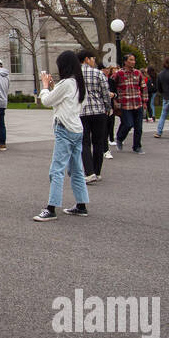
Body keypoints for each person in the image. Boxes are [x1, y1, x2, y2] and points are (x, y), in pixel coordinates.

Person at [33, 50, 90, 221]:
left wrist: (44, 87)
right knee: (76, 169)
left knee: (56, 170)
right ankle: (81, 204)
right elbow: (64, 101)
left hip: (64, 130)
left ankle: (51, 208)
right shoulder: (79, 83)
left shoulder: (66, 83)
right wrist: (51, 88)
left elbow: (46, 101)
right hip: (76, 129)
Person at [79, 49, 112, 183]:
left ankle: (89, 171)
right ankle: (97, 171)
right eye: (92, 58)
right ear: (87, 59)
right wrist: (108, 107)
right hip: (99, 111)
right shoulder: (98, 73)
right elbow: (105, 92)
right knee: (98, 142)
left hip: (82, 112)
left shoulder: (75, 75)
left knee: (84, 142)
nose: (94, 61)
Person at [113, 54, 147, 153]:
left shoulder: (138, 73)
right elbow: (112, 85)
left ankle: (137, 146)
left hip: (137, 103)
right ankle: (119, 138)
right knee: (128, 124)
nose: (133, 62)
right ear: (125, 62)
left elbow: (143, 87)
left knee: (138, 127)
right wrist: (115, 99)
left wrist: (144, 101)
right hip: (125, 104)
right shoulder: (119, 74)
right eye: (131, 60)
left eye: (134, 60)